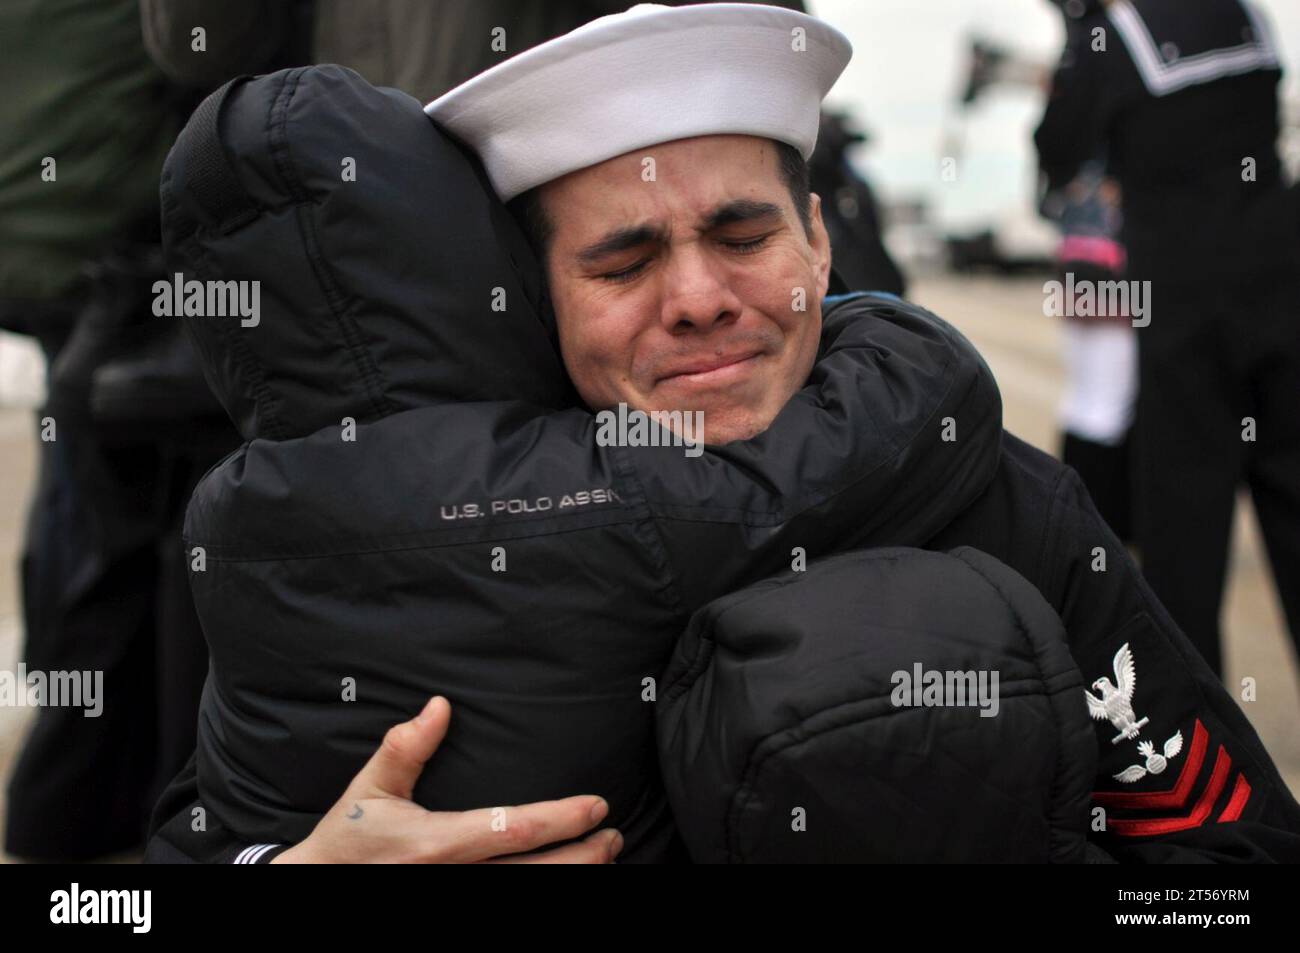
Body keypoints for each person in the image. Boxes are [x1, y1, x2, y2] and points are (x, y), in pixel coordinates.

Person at [151, 3, 1300, 863]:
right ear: (535, 296)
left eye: (741, 236)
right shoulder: (412, 555)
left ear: (818, 244)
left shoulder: (1006, 507)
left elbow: (1225, 859)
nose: (698, 297)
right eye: (625, 257)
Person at [1035, 0, 1300, 676]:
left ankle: (1209, 745)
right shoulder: (1246, 15)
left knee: (1184, 546)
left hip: (1185, 307)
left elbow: (1058, 150)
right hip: (1283, 278)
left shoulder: (1111, 31)